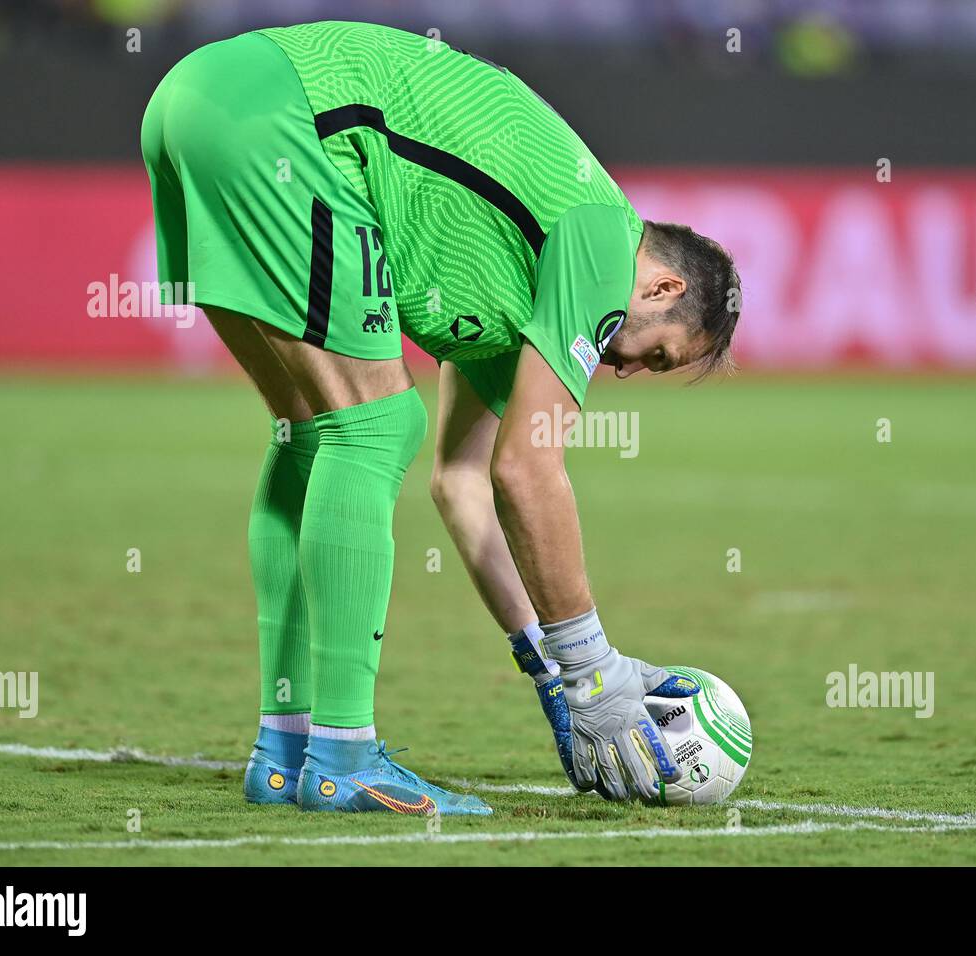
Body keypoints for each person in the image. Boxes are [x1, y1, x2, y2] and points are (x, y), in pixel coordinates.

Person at [140, 20, 741, 814]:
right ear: (662, 288)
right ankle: (344, 755)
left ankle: (284, 750)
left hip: (195, 100)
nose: (626, 370)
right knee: (374, 425)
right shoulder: (603, 238)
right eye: (654, 354)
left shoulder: (530, 274)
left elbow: (466, 485)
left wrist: (550, 670)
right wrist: (594, 671)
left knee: (310, 430)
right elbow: (530, 470)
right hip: (286, 119)